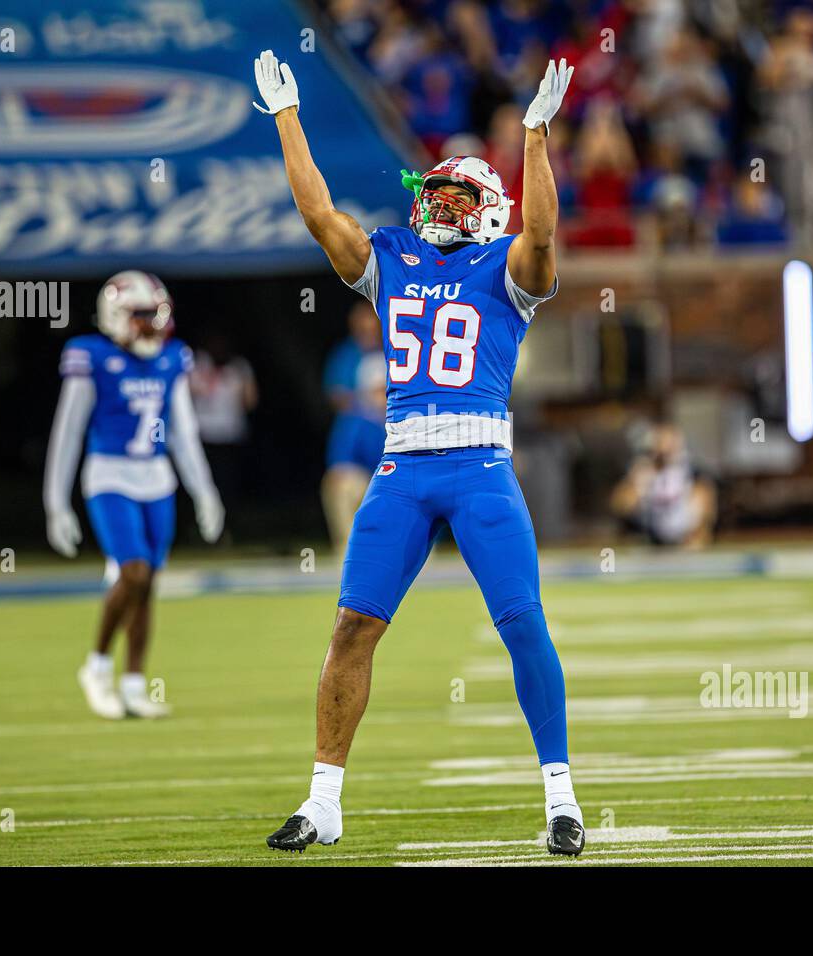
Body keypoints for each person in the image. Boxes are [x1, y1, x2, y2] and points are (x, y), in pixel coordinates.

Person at [251, 50, 584, 855]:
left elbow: (541, 231)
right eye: (435, 191)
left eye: (460, 195)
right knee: (351, 629)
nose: (441, 204)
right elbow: (319, 216)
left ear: (490, 210)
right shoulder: (392, 258)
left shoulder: (508, 266)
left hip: (478, 467)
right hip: (400, 469)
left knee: (522, 623)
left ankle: (562, 799)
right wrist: (287, 120)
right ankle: (323, 802)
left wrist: (535, 136)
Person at [43, 271, 224, 719]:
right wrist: (55, 502)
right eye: (141, 316)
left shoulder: (171, 359)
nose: (151, 325)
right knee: (133, 572)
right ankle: (98, 667)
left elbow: (183, 433)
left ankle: (134, 682)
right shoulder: (92, 356)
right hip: (109, 475)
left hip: (157, 477)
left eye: (156, 315)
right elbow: (67, 433)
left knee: (147, 585)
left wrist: (205, 492)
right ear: (116, 316)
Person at [322, 302, 387, 556]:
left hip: (398, 482)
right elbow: (340, 466)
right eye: (375, 389)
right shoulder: (356, 421)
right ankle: (350, 554)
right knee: (340, 485)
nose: (380, 394)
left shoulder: (406, 419)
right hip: (370, 479)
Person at [188, 334, 258, 545]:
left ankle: (227, 531)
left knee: (229, 487)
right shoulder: (196, 363)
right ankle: (198, 531)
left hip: (230, 435)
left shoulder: (238, 367)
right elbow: (185, 394)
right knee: (201, 483)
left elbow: (250, 401)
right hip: (203, 435)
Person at [610, 422, 716, 548]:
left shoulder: (693, 473)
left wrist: (700, 531)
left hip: (684, 538)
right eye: (660, 445)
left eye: (670, 446)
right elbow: (621, 505)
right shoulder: (642, 470)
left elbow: (705, 506)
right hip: (648, 539)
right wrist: (637, 482)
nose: (665, 451)